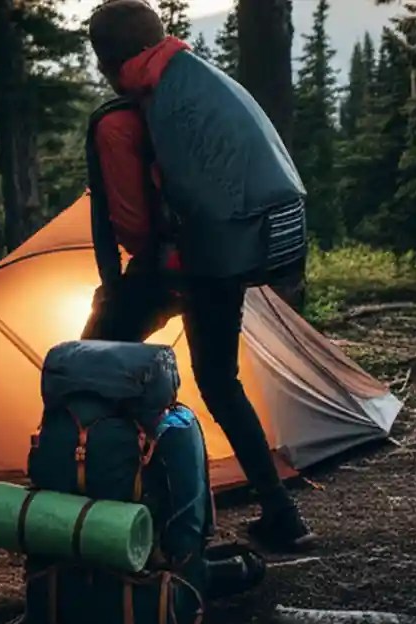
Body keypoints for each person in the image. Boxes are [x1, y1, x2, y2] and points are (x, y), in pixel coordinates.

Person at [82, 0, 316, 552]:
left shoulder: (119, 122)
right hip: (229, 255)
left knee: (91, 361)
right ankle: (283, 514)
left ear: (106, 59)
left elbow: (136, 229)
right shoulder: (199, 82)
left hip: (180, 261)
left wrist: (138, 275)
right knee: (218, 380)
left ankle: (107, 498)